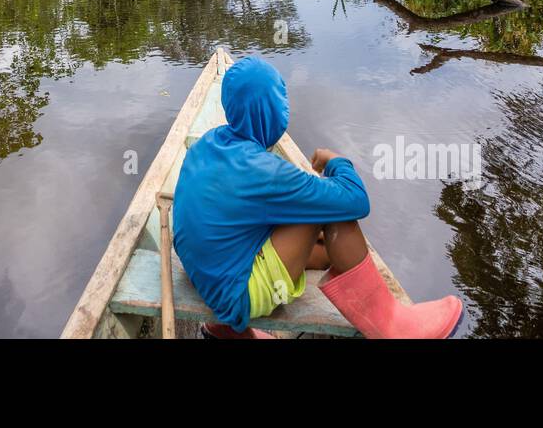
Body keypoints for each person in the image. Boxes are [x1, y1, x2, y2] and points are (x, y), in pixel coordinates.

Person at [172, 54, 463, 339]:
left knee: (326, 252)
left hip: (201, 273)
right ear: (272, 109)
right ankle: (394, 327)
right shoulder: (263, 170)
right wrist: (337, 162)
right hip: (235, 295)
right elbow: (355, 200)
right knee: (332, 214)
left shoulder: (210, 141)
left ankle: (224, 332)